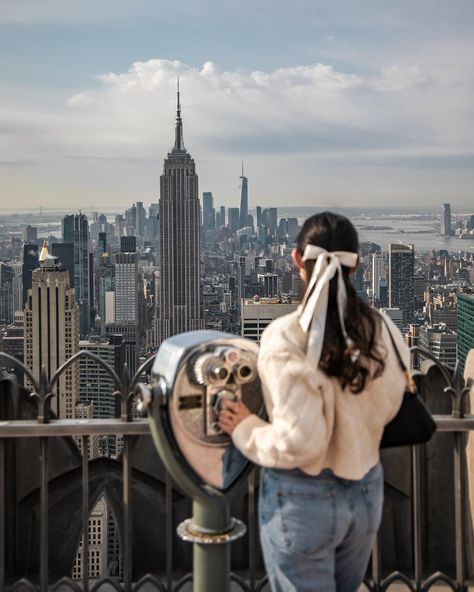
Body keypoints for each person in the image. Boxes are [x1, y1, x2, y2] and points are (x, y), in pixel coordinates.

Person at [218, 211, 410, 592]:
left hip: (303, 501)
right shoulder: (383, 328)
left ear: (296, 261)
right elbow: (394, 401)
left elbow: (299, 444)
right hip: (366, 489)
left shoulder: (285, 337)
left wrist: (244, 427)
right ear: (356, 265)